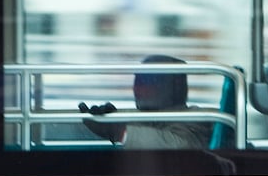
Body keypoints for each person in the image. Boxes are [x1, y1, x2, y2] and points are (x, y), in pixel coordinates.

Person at [79, 54, 212, 149]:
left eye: (147, 81)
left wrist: (119, 131)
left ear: (172, 87)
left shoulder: (196, 118)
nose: (137, 88)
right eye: (137, 81)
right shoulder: (147, 117)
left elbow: (178, 146)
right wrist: (111, 120)